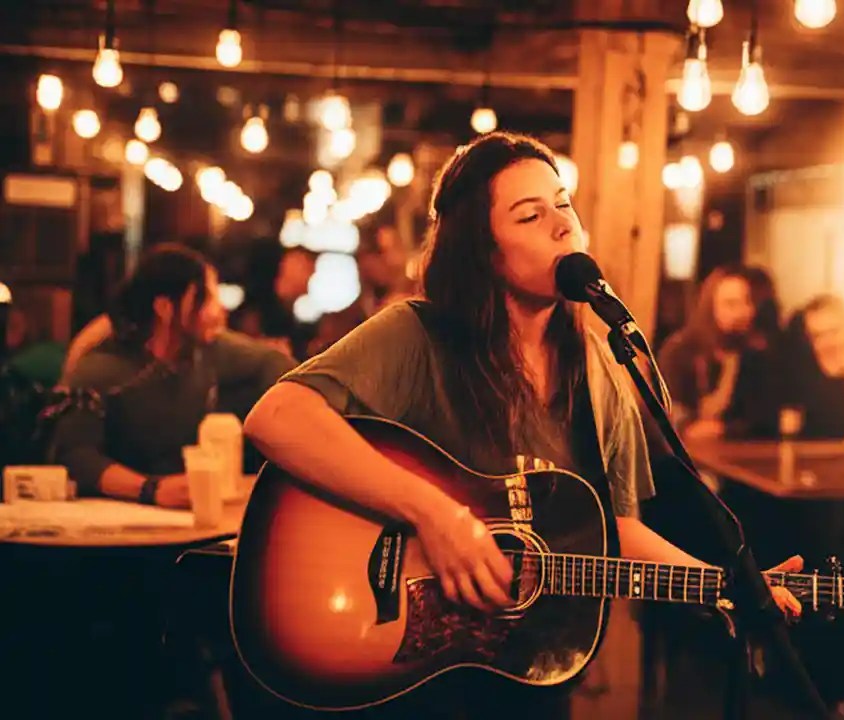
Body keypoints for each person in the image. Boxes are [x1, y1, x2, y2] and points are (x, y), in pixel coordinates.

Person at [242, 132, 802, 718]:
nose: (562, 225)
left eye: (563, 203)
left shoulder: (597, 367)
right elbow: (277, 418)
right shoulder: (418, 336)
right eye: (530, 215)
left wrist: (725, 585)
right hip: (410, 672)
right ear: (483, 251)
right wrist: (435, 515)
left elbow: (610, 531)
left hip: (523, 667)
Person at [47, 243, 295, 507]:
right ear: (165, 307)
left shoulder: (206, 351)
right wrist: (151, 489)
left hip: (186, 515)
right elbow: (75, 456)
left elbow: (274, 364)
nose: (219, 309)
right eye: (205, 298)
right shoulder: (102, 368)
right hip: (116, 523)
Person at [656, 266, 779, 440]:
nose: (743, 312)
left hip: (739, 455)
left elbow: (764, 420)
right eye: (731, 304)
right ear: (710, 307)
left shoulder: (757, 356)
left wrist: (727, 429)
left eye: (747, 302)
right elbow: (666, 410)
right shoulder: (679, 351)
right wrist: (687, 426)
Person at [781, 294, 844, 440]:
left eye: (834, 332)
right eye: (818, 336)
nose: (827, 343)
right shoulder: (803, 381)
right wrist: (833, 380)